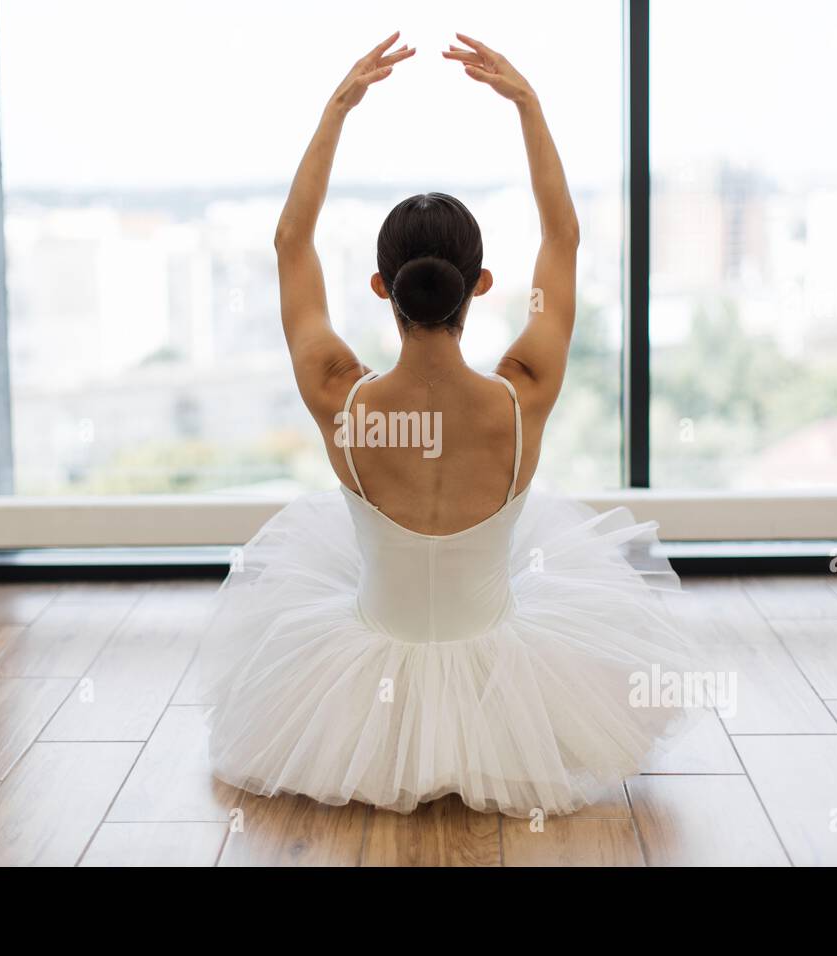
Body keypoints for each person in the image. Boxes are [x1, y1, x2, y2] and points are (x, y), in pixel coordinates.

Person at [201, 32, 697, 816]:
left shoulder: (339, 396)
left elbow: (291, 241)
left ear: (379, 286)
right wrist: (529, 107)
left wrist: (338, 109)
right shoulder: (523, 394)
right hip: (510, 674)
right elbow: (563, 239)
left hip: (359, 675)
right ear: (482, 284)